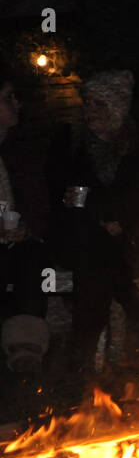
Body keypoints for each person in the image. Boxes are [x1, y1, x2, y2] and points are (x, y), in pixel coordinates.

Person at [45, 69, 139, 373]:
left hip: (122, 239)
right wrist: (103, 214)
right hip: (76, 236)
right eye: (88, 104)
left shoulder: (136, 146)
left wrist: (119, 218)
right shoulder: (69, 141)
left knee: (100, 271)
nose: (90, 112)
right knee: (101, 264)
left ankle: (78, 366)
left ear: (118, 108)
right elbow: (62, 192)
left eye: (100, 105)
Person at [0, 64, 54, 373]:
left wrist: (26, 228)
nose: (16, 104)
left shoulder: (18, 149)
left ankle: (25, 349)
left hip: (17, 242)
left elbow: (38, 201)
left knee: (33, 262)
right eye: (8, 98)